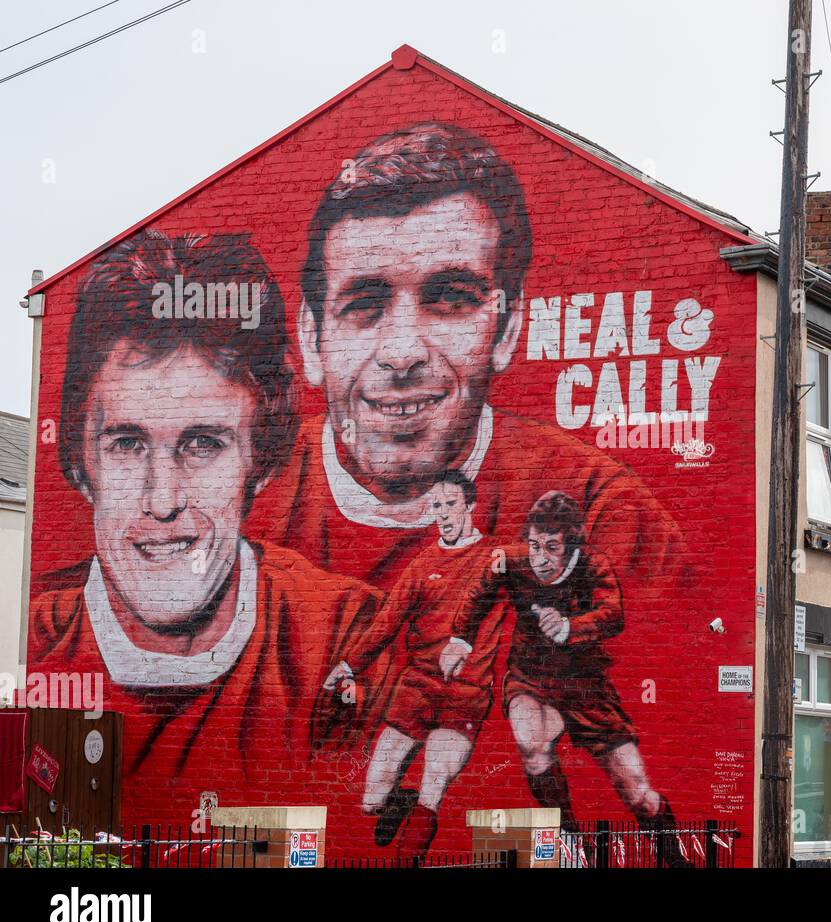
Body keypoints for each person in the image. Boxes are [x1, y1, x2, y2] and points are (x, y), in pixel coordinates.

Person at [245, 120, 682, 592]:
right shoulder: (236, 499)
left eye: (451, 301)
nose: (401, 353)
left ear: (506, 329)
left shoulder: (603, 512)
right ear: (311, 339)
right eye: (364, 306)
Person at [29, 230, 380, 789]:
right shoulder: (37, 640)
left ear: (259, 462)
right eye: (127, 444)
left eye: (203, 444)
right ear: (80, 463)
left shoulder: (347, 638)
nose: (163, 499)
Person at [446, 491, 686, 864]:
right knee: (532, 744)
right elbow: (481, 588)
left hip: (586, 688)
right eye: (534, 544)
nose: (540, 557)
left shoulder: (593, 566)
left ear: (570, 545)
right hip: (531, 678)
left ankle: (674, 857)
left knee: (639, 794)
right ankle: (571, 837)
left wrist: (570, 627)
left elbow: (612, 613)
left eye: (551, 547)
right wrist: (460, 639)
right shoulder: (513, 560)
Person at [317, 470, 505, 857]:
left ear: (470, 505)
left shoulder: (496, 559)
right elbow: (386, 622)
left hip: (464, 695)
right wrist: (348, 665)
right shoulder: (422, 566)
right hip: (416, 688)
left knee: (433, 785)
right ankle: (397, 802)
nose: (444, 514)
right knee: (371, 801)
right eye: (436, 506)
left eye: (451, 504)